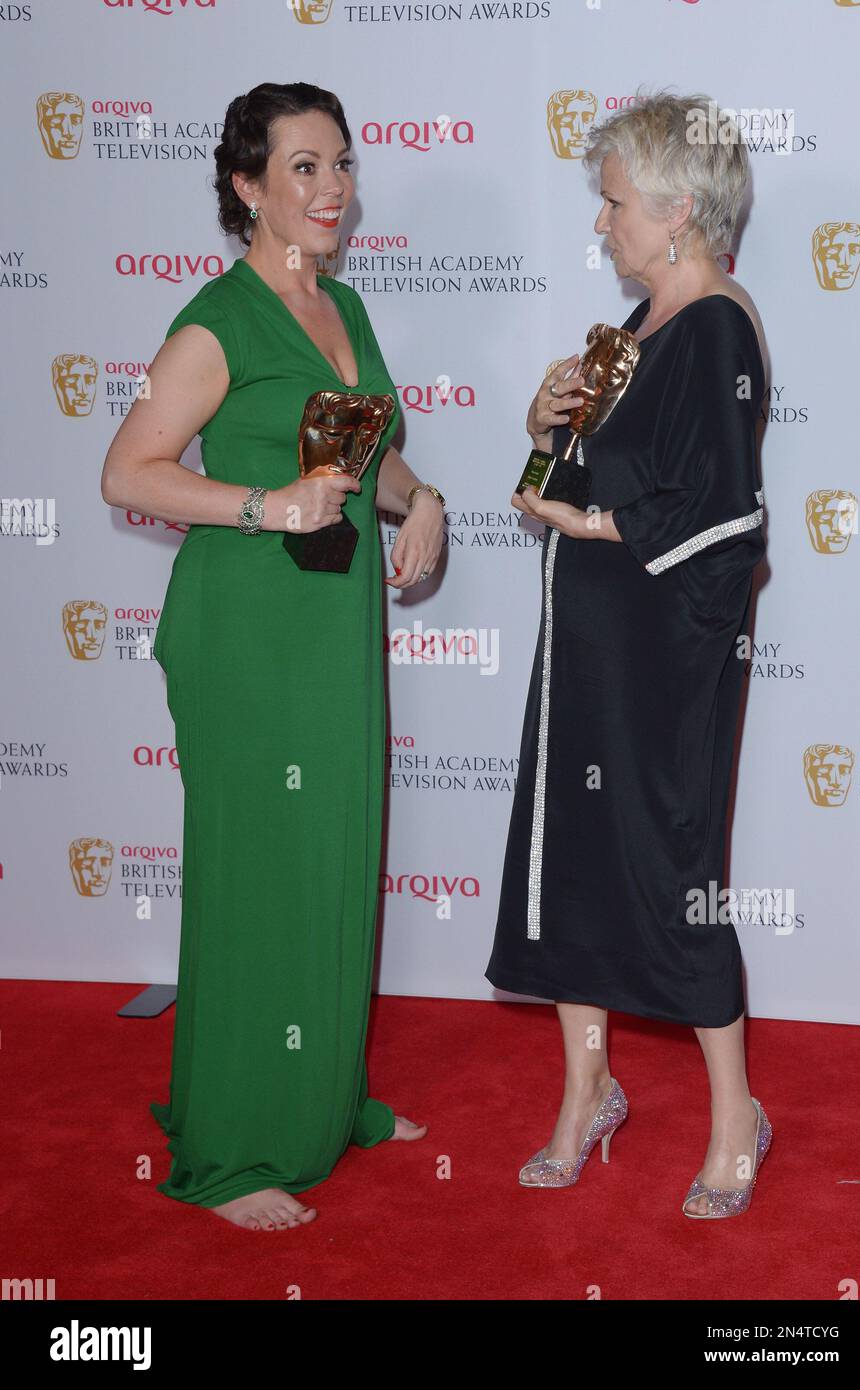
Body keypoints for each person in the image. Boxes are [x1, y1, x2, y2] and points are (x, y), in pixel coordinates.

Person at [101, 82, 446, 1232]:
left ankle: (319, 1095)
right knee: (258, 876)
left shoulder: (340, 305)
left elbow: (374, 459)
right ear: (247, 187)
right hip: (247, 634)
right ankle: (235, 1144)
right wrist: (266, 506)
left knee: (332, 858)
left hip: (331, 626)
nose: (332, 187)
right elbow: (129, 471)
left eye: (340, 164)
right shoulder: (216, 320)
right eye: (302, 167)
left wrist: (423, 498)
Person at [485, 90, 773, 1219]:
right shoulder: (636, 333)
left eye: (613, 204)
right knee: (573, 868)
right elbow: (570, 481)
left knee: (672, 875)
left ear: (678, 211)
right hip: (586, 654)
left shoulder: (712, 328)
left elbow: (727, 518)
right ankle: (585, 1092)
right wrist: (544, 425)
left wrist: (594, 523)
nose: (600, 225)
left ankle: (735, 1115)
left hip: (666, 658)